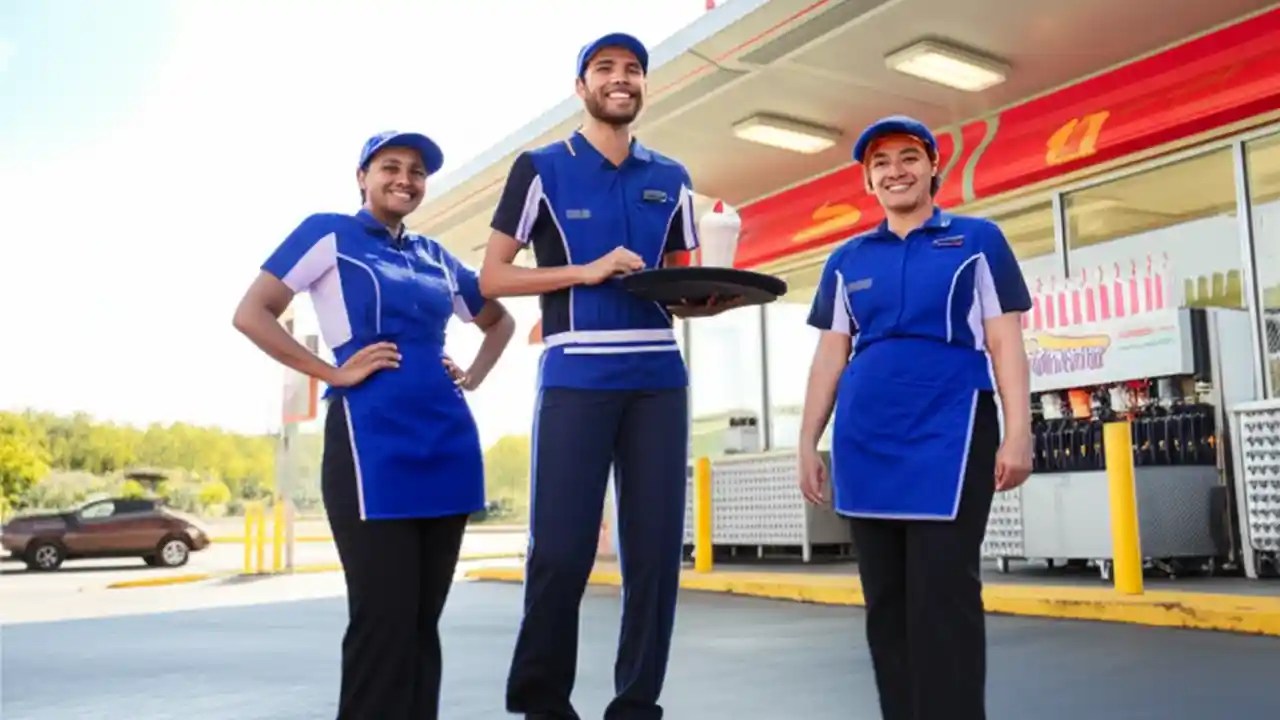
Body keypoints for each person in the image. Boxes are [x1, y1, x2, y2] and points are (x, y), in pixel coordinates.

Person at [479, 32, 738, 720]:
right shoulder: (540, 168)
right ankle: (541, 702)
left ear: (645, 87)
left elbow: (679, 282)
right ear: (582, 86)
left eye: (633, 70)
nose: (620, 79)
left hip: (658, 378)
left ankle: (636, 703)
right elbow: (494, 276)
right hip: (575, 374)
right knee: (560, 552)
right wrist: (583, 271)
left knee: (653, 555)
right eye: (605, 69)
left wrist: (706, 301)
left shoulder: (672, 176)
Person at [232, 130, 515, 720]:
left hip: (449, 442)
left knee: (421, 623)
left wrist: (475, 375)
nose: (405, 179)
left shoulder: (437, 255)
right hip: (372, 448)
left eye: (416, 170)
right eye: (391, 166)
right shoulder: (328, 234)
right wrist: (330, 374)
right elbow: (251, 312)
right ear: (362, 176)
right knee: (382, 619)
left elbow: (499, 322)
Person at [797, 115, 1034, 720]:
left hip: (950, 434)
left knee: (944, 597)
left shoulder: (979, 240)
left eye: (908, 157)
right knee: (886, 604)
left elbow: (1005, 342)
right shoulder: (847, 259)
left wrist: (1019, 432)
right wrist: (807, 442)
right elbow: (831, 354)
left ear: (933, 166)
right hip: (866, 438)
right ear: (867, 182)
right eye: (881, 163)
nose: (895, 170)